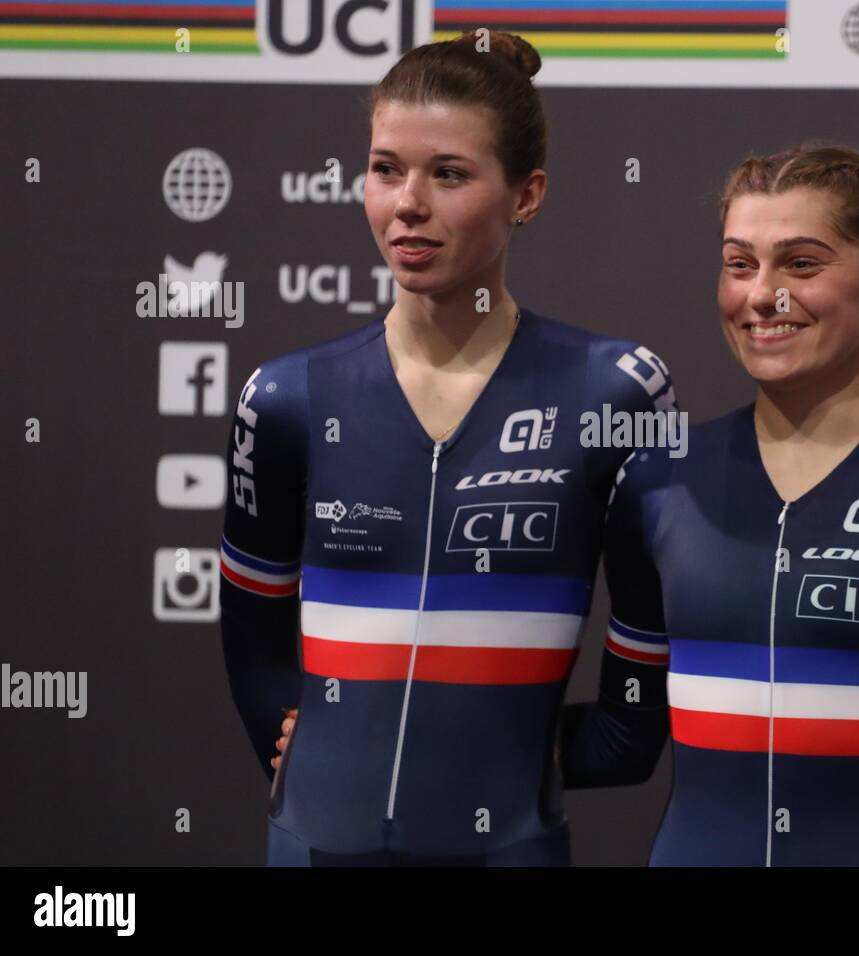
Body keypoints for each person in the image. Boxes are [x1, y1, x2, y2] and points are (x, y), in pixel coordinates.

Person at [218, 31, 677, 866]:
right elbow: (252, 649)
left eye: (450, 174)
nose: (407, 204)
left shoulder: (616, 392)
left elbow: (640, 694)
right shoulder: (287, 399)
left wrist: (515, 760)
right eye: (386, 168)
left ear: (526, 194)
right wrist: (312, 763)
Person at [559, 144, 859, 865]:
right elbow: (622, 741)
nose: (763, 294)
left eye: (801, 264)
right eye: (739, 263)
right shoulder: (659, 486)